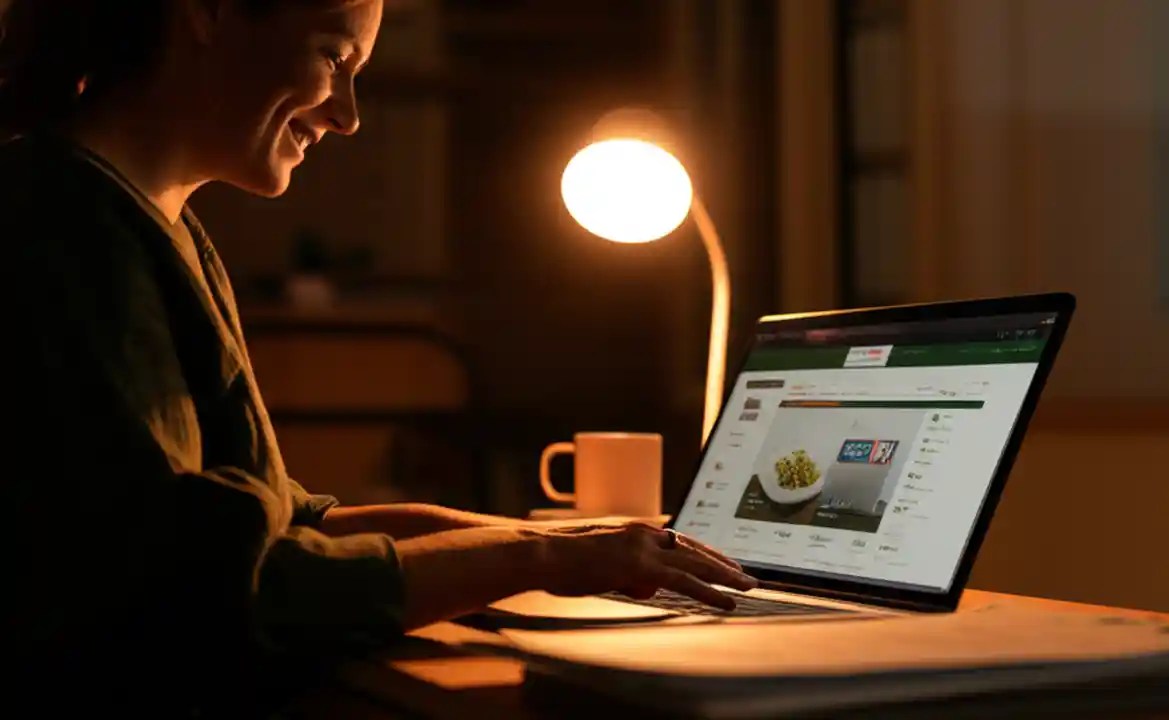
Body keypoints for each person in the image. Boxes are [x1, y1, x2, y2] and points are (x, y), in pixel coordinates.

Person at [0, 0, 754, 713]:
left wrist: (562, 541)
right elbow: (223, 590)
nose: (349, 114)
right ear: (209, 10)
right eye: (334, 54)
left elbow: (289, 526)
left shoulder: (157, 225)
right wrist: (544, 564)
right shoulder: (68, 235)